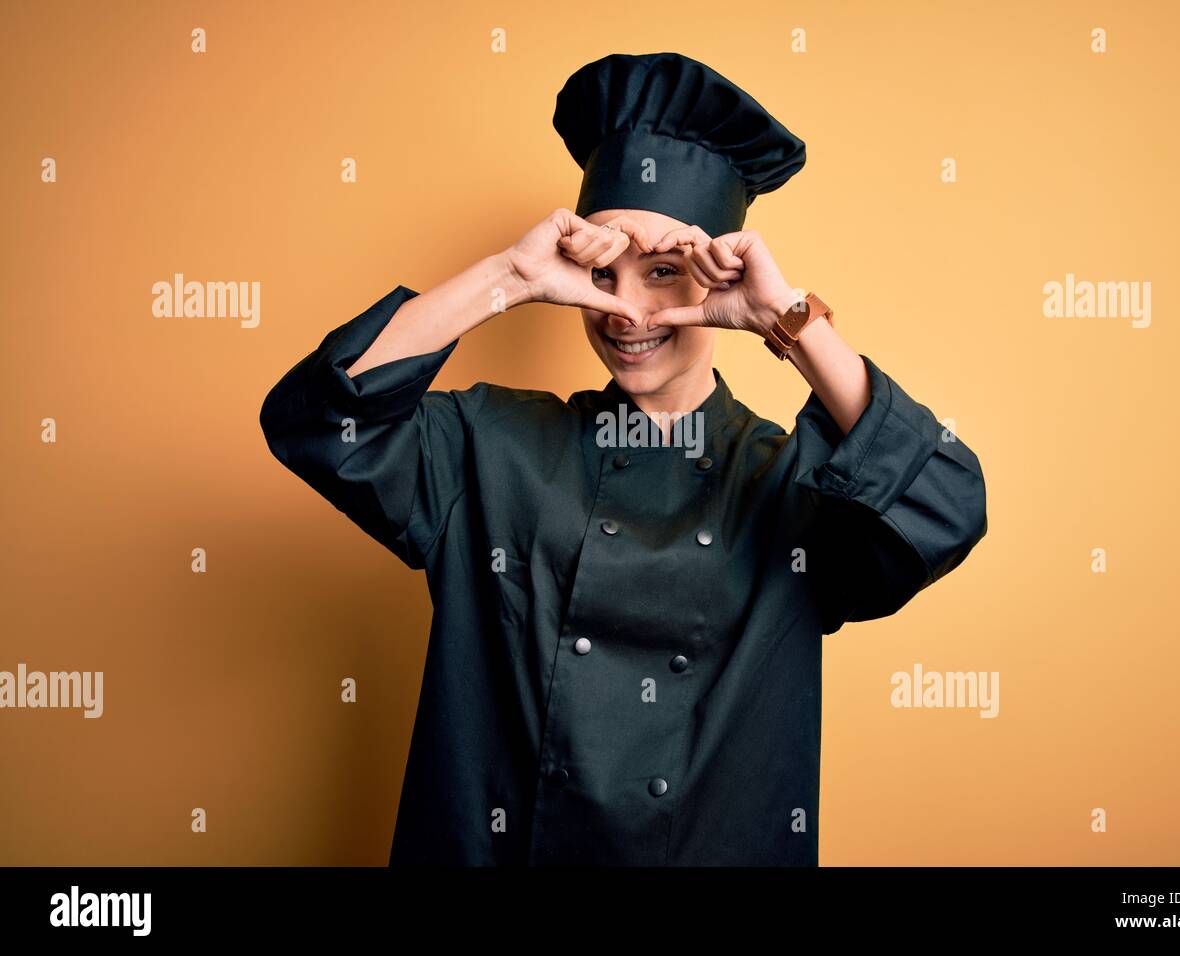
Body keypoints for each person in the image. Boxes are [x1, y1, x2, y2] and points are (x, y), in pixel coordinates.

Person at [259, 52, 988, 865]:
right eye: (601, 272)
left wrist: (788, 318)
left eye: (666, 273)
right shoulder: (490, 446)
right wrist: (508, 275)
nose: (628, 310)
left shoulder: (790, 488)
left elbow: (947, 505)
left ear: (722, 274)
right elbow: (320, 421)